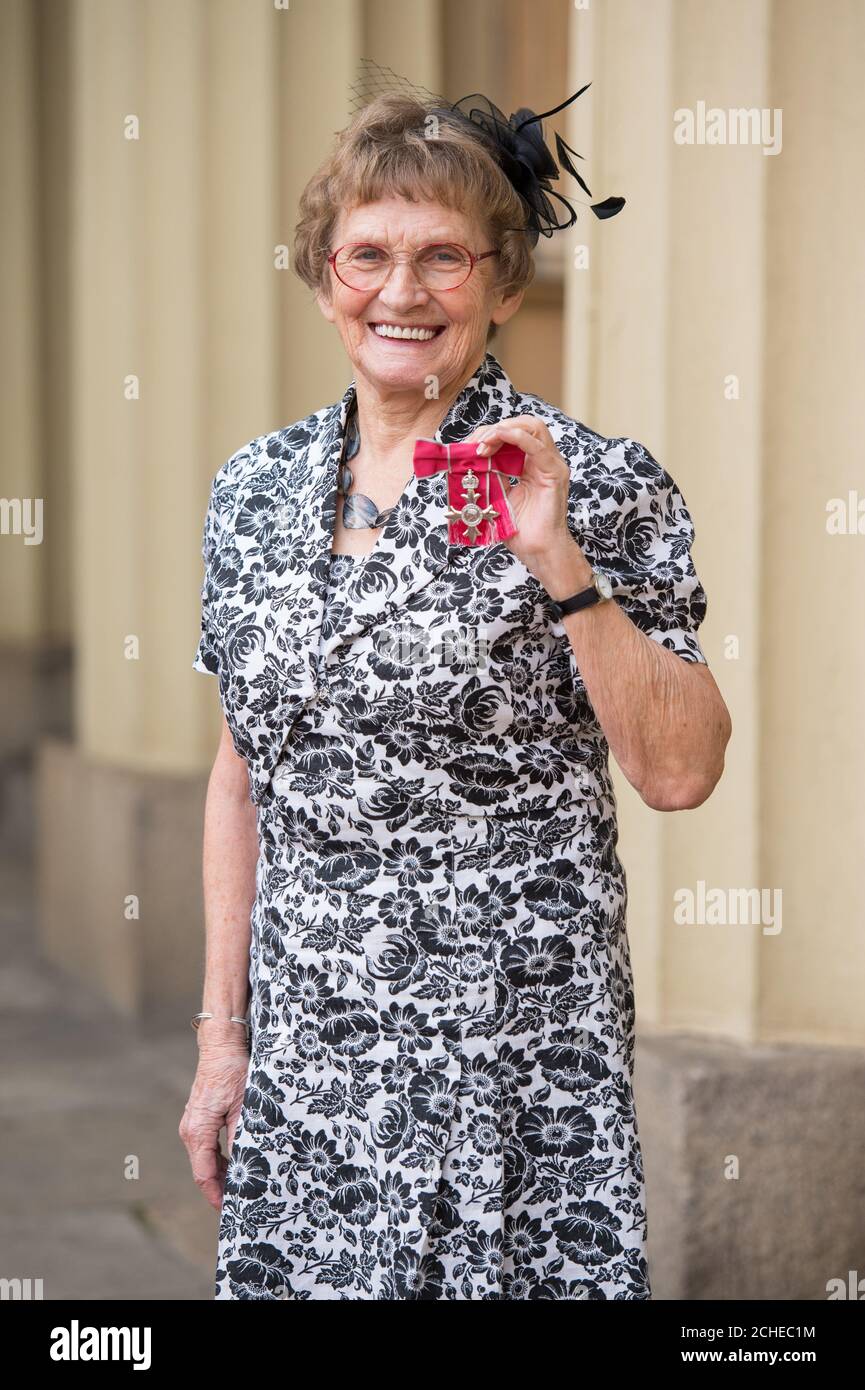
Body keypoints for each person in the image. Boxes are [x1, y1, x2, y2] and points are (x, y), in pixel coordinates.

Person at [179, 83, 732, 1301]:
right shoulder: (254, 492)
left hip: (509, 1060)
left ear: (503, 284)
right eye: (367, 255)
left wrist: (560, 563)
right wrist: (224, 1044)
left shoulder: (591, 478)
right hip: (313, 1060)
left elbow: (681, 769)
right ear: (324, 280)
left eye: (442, 258)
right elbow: (240, 776)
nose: (400, 291)